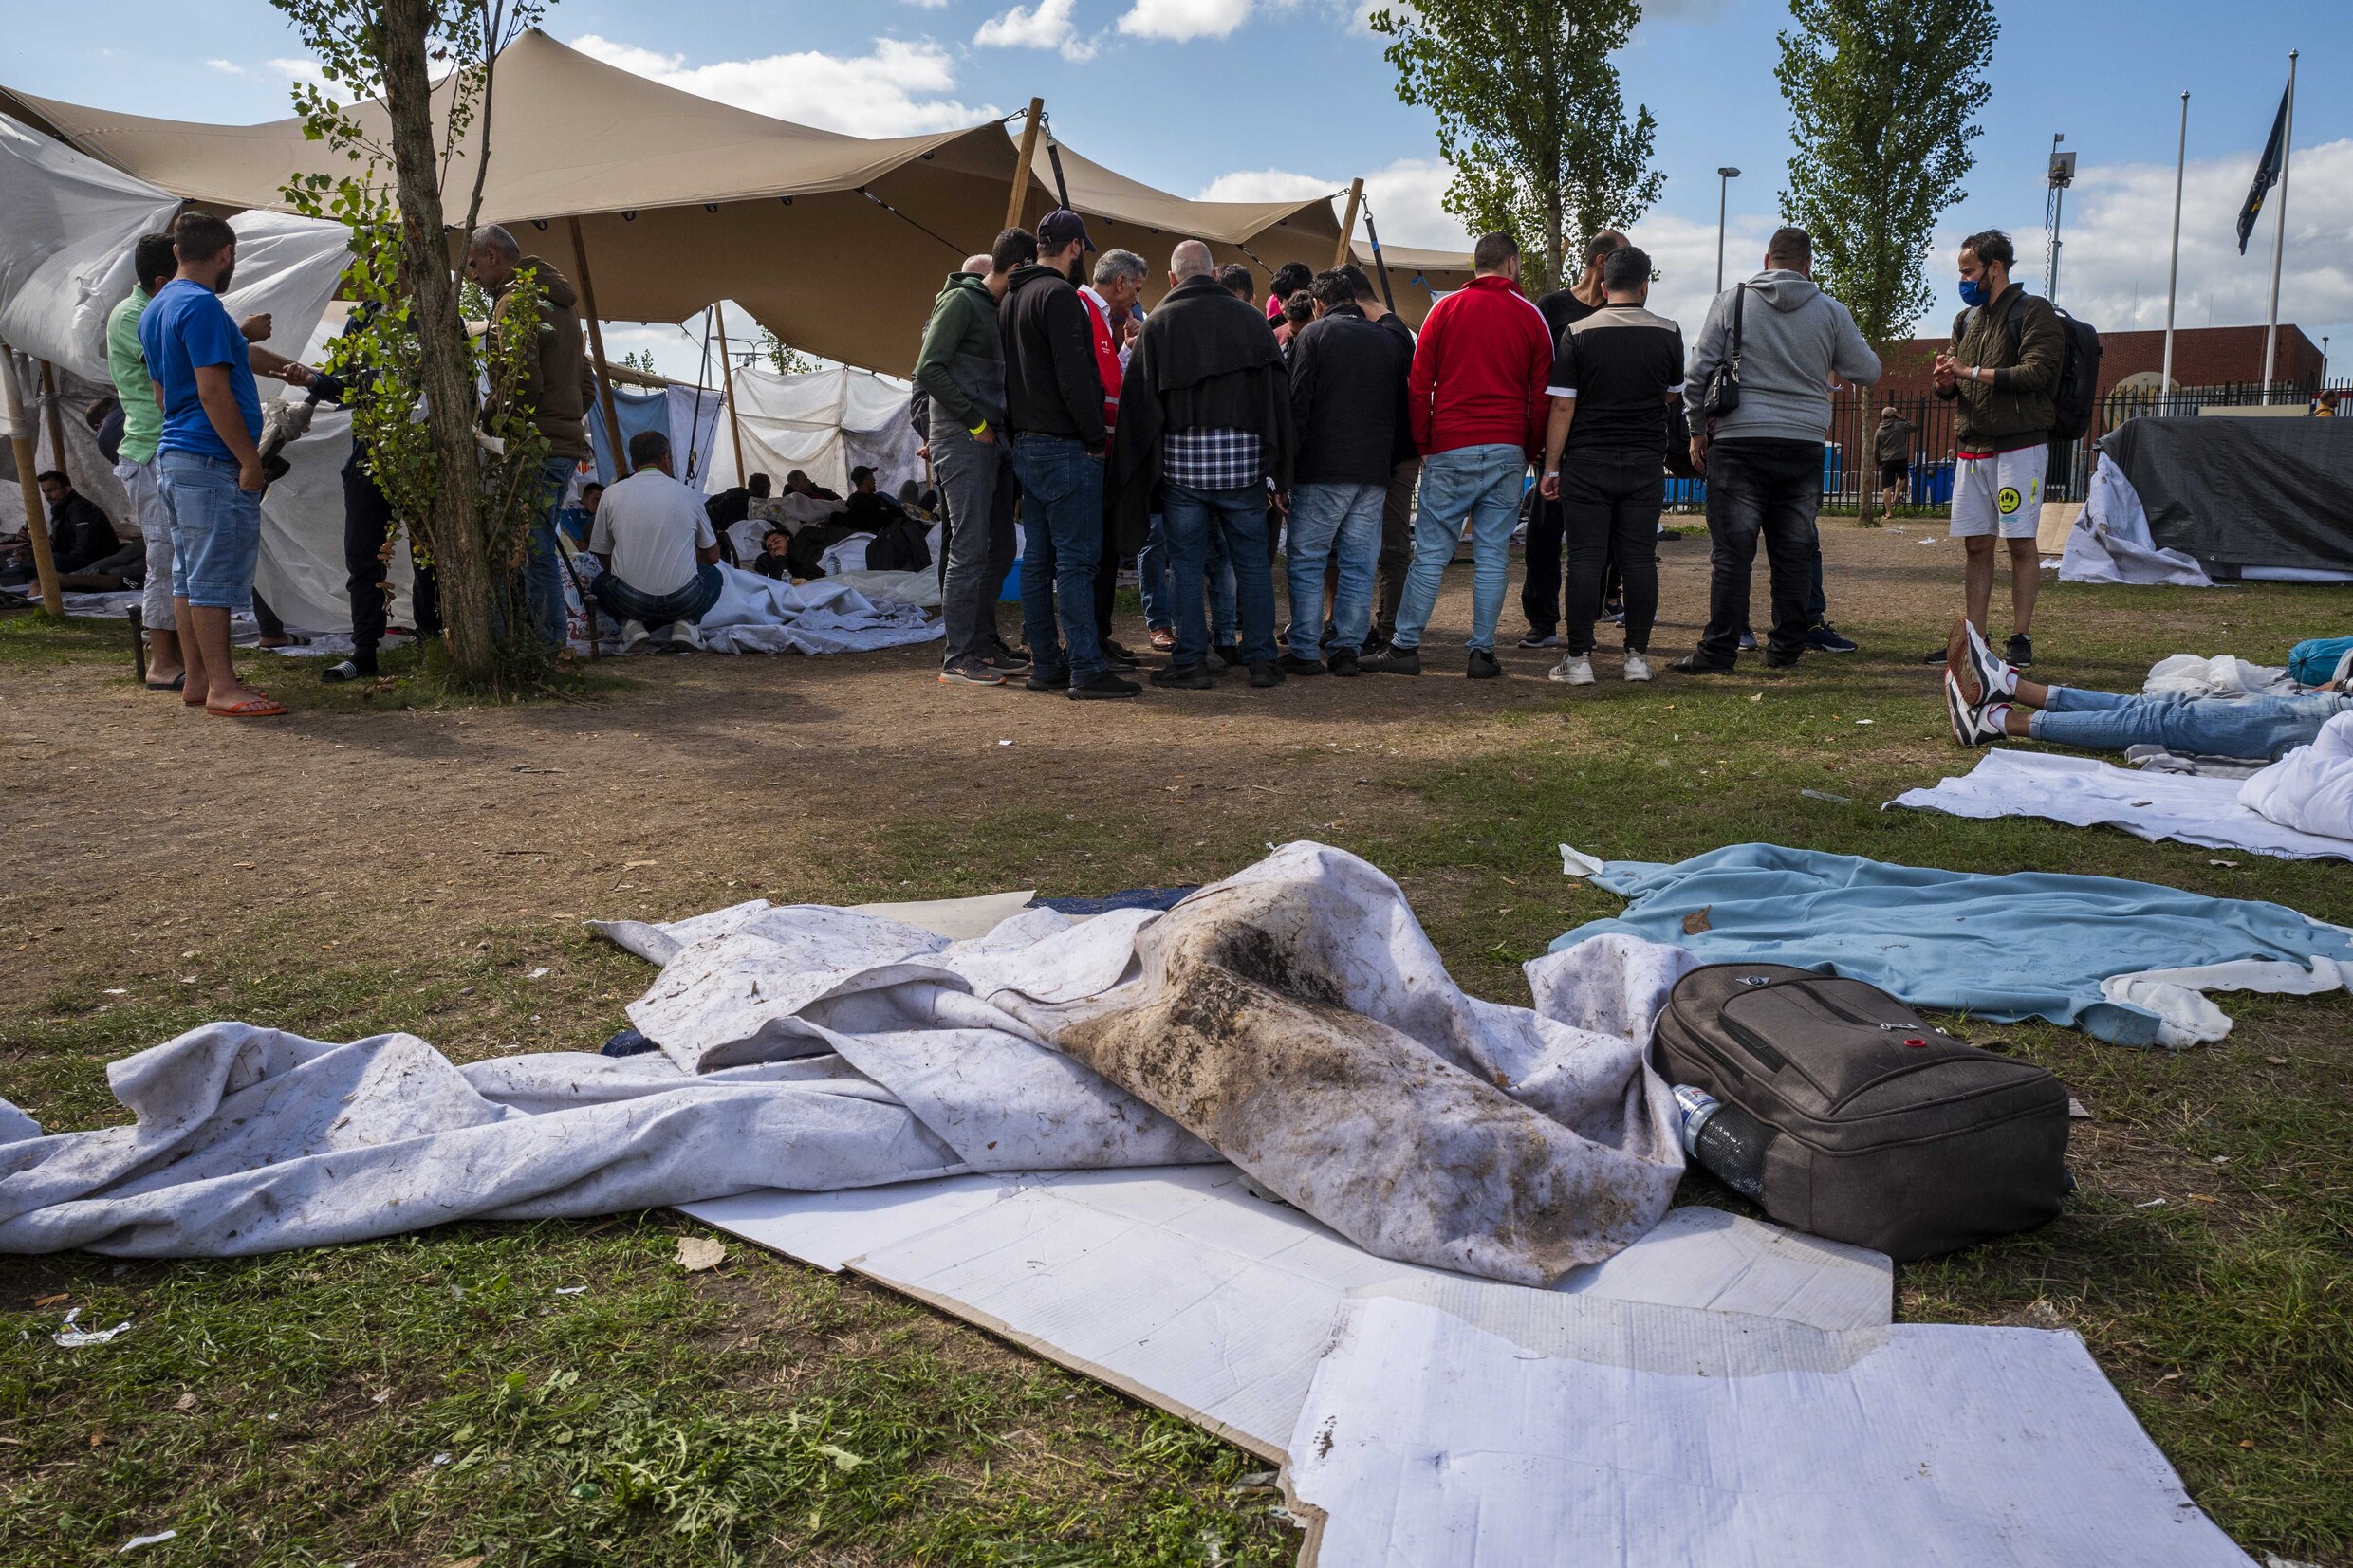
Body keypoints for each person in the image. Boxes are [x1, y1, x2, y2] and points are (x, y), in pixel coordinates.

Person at [1677, 226, 1879, 674]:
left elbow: (1697, 373)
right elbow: (1867, 370)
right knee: (1794, 550)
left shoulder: (1733, 301)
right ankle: (1785, 648)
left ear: (1767, 260)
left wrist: (1696, 429)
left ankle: (1719, 650)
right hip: (1803, 443)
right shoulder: (1830, 311)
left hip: (1739, 441)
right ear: (1808, 265)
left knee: (1731, 553)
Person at [140, 212, 314, 717]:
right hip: (210, 458)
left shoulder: (159, 308)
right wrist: (247, 459)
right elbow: (212, 389)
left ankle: (197, 679)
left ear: (175, 252)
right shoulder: (203, 307)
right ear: (226, 255)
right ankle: (222, 686)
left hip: (175, 454)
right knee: (213, 577)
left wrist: (289, 369)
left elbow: (163, 392)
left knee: (187, 576)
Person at [1363, 231, 1552, 679]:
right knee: (1492, 556)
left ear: (1475, 266)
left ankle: (1406, 645)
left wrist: (1426, 442)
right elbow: (1541, 394)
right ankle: (1481, 653)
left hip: (1449, 444)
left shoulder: (1442, 311)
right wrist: (1527, 446)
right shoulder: (1531, 316)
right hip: (1507, 445)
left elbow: (1418, 385)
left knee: (1431, 553)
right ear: (1512, 264)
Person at [1113, 238, 1294, 691]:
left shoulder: (1158, 324)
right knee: (1252, 565)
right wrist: (1278, 469)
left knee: (1187, 567)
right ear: (1214, 276)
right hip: (1244, 469)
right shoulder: (1253, 321)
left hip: (1182, 472)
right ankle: (1262, 661)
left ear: (1173, 278)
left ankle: (1191, 661)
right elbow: (1277, 398)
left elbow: (1139, 406)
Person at [1536, 245, 1682, 686]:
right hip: (1642, 460)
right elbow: (1672, 394)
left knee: (1584, 558)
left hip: (1586, 459)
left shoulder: (1577, 332)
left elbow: (1562, 407)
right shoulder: (1668, 331)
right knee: (1639, 559)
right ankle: (1637, 657)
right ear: (1645, 285)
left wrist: (1552, 468)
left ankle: (1578, 659)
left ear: (1603, 286)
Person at [1001, 212, 1134, 699]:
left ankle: (1047, 665)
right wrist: (1095, 436)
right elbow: (1075, 377)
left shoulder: (1012, 296)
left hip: (1028, 442)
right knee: (1077, 562)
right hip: (1066, 444)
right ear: (1075, 247)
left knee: (1038, 561)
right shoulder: (1059, 297)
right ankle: (1086, 667)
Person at [1925, 229, 2062, 670]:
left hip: (2019, 447)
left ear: (1994, 268)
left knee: (2020, 542)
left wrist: (1971, 371)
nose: (1963, 279)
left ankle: (2019, 637)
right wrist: (1946, 382)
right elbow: (1956, 377)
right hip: (1973, 446)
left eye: (1969, 271)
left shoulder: (2033, 311)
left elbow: (2036, 373)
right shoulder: (1966, 321)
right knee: (1977, 545)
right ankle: (1976, 639)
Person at [1944, 618, 2350, 759]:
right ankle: (2013, 686)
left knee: (2171, 718)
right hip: (2337, 705)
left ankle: (1998, 721)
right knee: (2165, 704)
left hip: (2335, 720)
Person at [464, 224, 595, 655]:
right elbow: (587, 382)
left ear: (493, 257)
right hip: (563, 443)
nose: (470, 275)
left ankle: (543, 648)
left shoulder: (513, 301)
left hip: (533, 446)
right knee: (537, 545)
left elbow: (520, 381)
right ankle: (542, 644)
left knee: (528, 549)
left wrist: (489, 427)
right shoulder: (562, 306)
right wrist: (567, 418)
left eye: (473, 263)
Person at [1280, 268, 1413, 678]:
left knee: (1307, 559)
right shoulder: (1389, 339)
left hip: (1322, 468)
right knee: (1358, 562)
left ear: (1318, 305)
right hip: (1372, 470)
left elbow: (1298, 404)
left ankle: (1304, 649)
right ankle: (1347, 650)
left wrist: (1286, 469)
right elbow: (1397, 408)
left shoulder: (1314, 336)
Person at [1519, 231, 1631, 651]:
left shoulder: (1623, 310)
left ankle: (1590, 617)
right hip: (1557, 438)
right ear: (1601, 262)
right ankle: (1542, 621)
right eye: (1624, 256)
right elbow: (1535, 373)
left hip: (1601, 440)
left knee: (1599, 539)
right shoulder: (1550, 308)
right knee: (1544, 534)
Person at [915, 247, 1021, 685]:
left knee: (996, 549)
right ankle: (958, 658)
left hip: (988, 441)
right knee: (969, 548)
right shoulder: (959, 303)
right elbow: (928, 371)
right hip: (964, 440)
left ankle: (980, 648)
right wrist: (975, 422)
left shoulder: (988, 311)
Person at [102, 231, 183, 688]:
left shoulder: (149, 309)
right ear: (160, 279)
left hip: (161, 448)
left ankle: (178, 655)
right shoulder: (135, 315)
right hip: (149, 449)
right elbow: (179, 363)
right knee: (163, 556)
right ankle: (162, 663)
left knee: (178, 557)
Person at [587, 430, 723, 646]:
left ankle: (631, 625)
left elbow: (602, 554)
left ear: (634, 464)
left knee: (600, 584)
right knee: (714, 576)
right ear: (666, 459)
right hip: (684, 600)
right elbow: (713, 556)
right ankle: (686, 624)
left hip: (631, 602)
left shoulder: (611, 494)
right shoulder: (689, 495)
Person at [1081, 248, 1147, 668]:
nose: (1137, 299)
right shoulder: (1083, 309)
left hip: (1103, 452)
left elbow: (1110, 381)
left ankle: (1100, 634)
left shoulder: (1102, 319)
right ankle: (1090, 641)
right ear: (1120, 282)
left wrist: (1126, 352)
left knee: (1105, 552)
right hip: (1091, 453)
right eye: (1136, 289)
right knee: (1092, 553)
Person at [1874, 405, 1916, 512]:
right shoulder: (1900, 425)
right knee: (1902, 477)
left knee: (1887, 486)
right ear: (1894, 416)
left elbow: (1876, 448)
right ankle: (1896, 497)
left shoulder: (1879, 430)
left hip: (1886, 460)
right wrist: (1903, 418)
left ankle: (1888, 512)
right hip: (1901, 458)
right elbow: (1914, 427)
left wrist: (1878, 461)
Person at [558, 481, 603, 549]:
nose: (600, 504)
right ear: (584, 500)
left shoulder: (607, 519)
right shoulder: (569, 515)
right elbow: (581, 544)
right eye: (596, 500)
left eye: (603, 500)